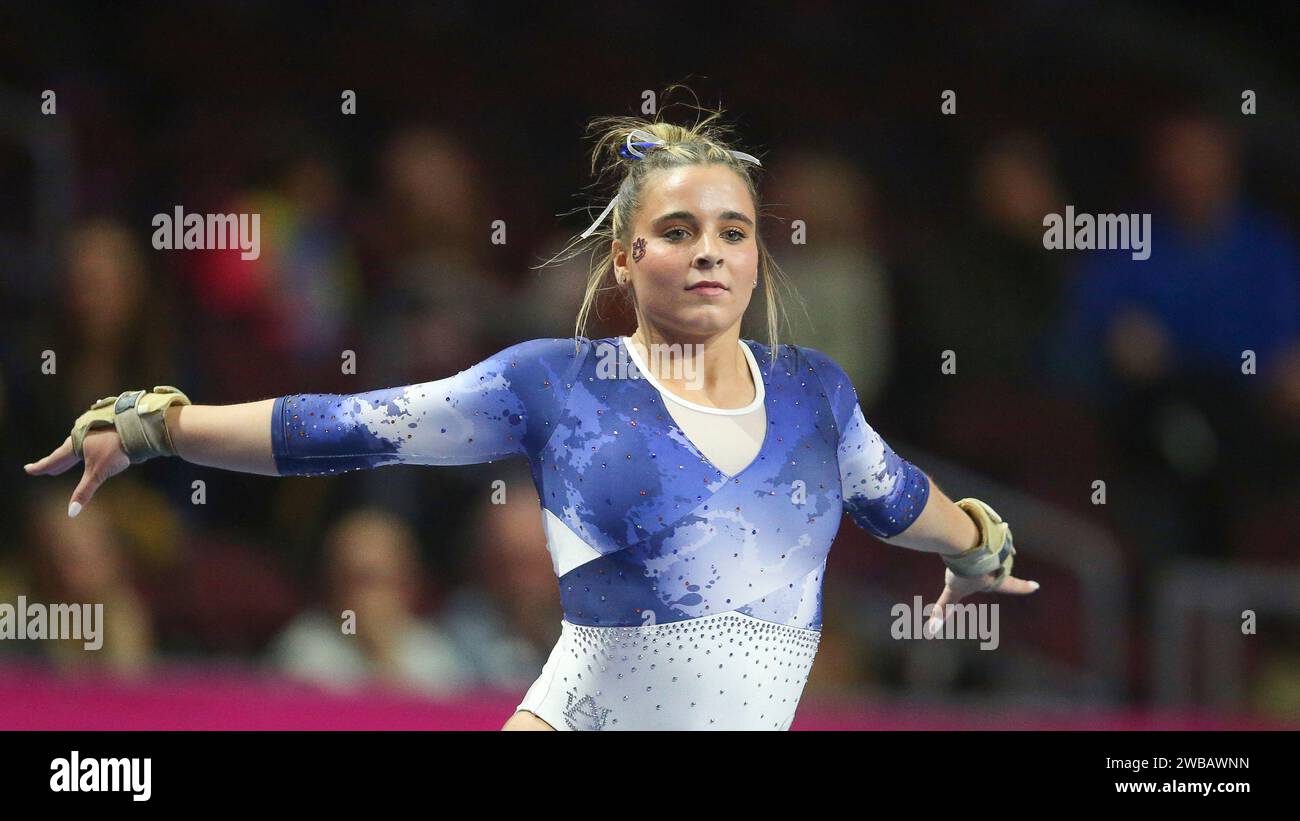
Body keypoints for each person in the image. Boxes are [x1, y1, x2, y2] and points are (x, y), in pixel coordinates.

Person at [25, 103, 1037, 731]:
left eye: (733, 231)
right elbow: (347, 424)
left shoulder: (814, 393)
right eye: (676, 231)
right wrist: (164, 422)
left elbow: (899, 496)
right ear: (627, 258)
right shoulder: (556, 384)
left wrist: (978, 544)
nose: (710, 252)